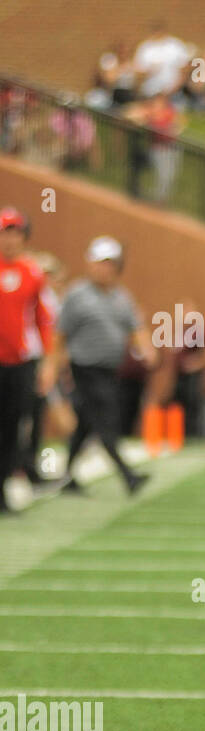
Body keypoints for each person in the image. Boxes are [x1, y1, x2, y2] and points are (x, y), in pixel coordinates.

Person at [45, 236, 154, 494]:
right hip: (85, 369)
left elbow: (136, 327)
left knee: (84, 424)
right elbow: (59, 334)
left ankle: (68, 478)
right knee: (106, 420)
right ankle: (128, 475)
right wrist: (51, 366)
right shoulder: (77, 295)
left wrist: (148, 349)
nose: (103, 269)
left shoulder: (121, 296)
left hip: (109, 371)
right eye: (99, 263)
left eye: (109, 264)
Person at [0, 208, 56, 514]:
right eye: (5, 232)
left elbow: (43, 320)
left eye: (15, 232)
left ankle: (3, 487)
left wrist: (47, 363)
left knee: (12, 426)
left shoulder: (32, 272)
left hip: (19, 363)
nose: (9, 239)